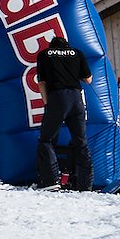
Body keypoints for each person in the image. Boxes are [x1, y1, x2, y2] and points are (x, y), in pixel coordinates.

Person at [35, 34, 94, 191]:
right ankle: (86, 184)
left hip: (57, 97)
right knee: (81, 143)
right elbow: (88, 79)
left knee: (46, 140)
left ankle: (50, 180)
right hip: (76, 98)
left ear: (52, 46)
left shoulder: (44, 55)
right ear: (66, 46)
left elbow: (42, 83)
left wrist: (48, 104)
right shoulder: (77, 52)